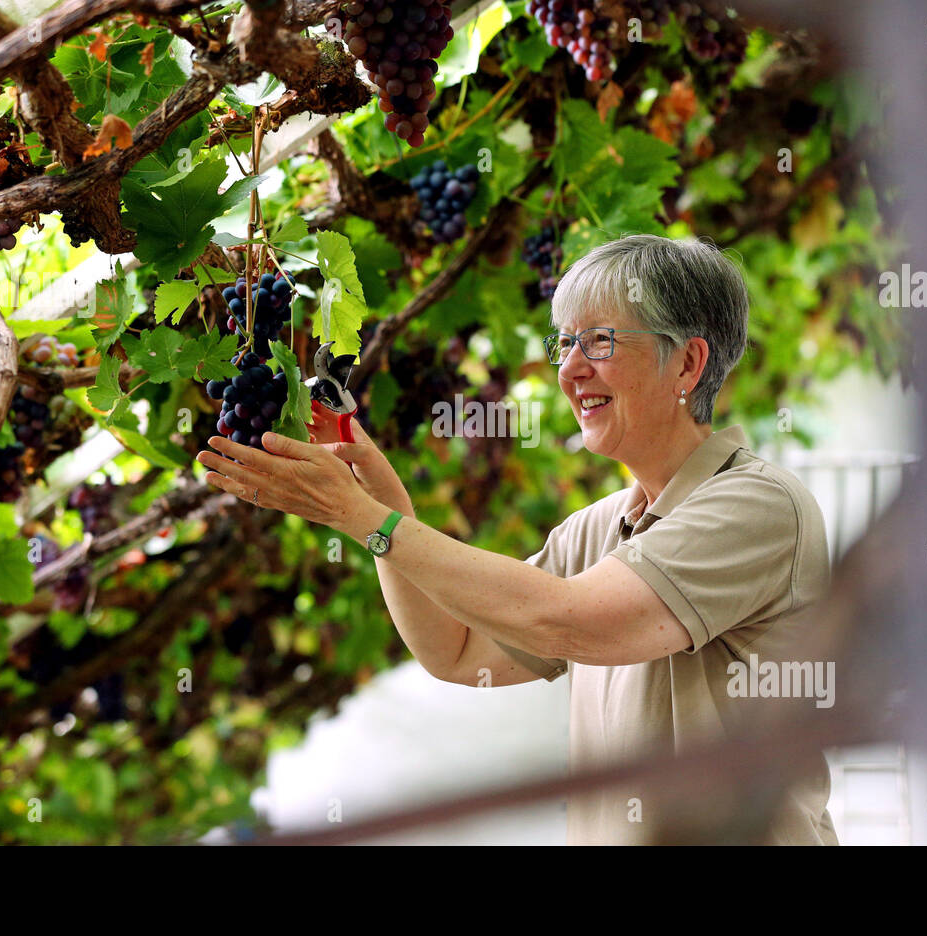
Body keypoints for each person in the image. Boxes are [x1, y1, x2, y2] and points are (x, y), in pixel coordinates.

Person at [197, 234, 838, 845]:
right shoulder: (597, 528)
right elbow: (460, 651)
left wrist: (368, 520)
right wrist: (384, 505)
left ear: (688, 363)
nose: (571, 370)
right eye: (565, 344)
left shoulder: (756, 505)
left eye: (600, 341)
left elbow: (572, 621)